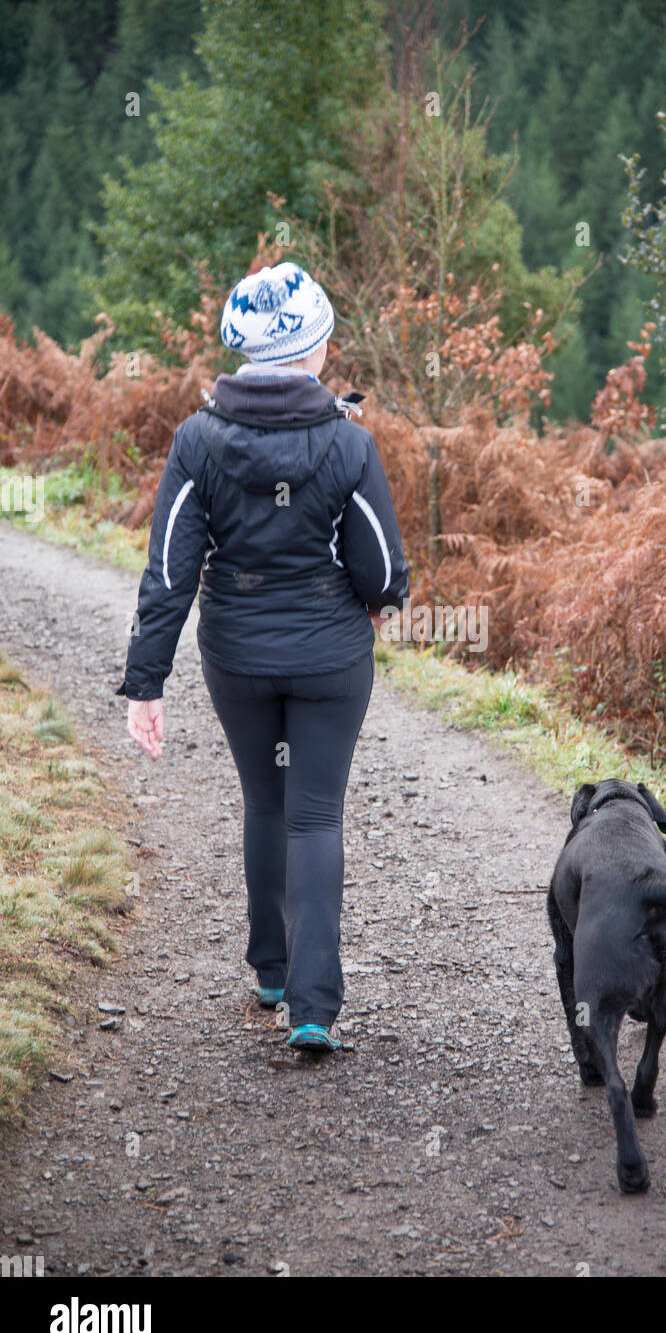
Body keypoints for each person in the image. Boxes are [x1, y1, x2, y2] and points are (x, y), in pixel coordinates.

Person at [117, 261, 410, 1052]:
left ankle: (270, 970)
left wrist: (147, 681)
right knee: (315, 814)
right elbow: (380, 572)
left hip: (236, 657)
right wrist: (383, 604)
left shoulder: (197, 439)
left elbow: (171, 573)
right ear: (313, 346)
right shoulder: (348, 444)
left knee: (266, 802)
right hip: (330, 659)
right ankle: (311, 1010)